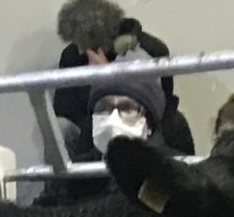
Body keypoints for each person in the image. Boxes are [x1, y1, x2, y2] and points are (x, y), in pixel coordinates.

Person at [51, 0, 195, 157]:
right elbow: (65, 109)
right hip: (92, 124)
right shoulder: (73, 55)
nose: (81, 50)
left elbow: (161, 104)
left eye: (87, 43)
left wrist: (108, 78)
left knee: (175, 123)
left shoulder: (149, 49)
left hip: (138, 121)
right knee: (60, 128)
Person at [37, 76, 164, 208]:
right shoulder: (75, 173)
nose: (112, 119)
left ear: (149, 125)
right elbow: (42, 210)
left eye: (127, 108)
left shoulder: (163, 177)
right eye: (103, 108)